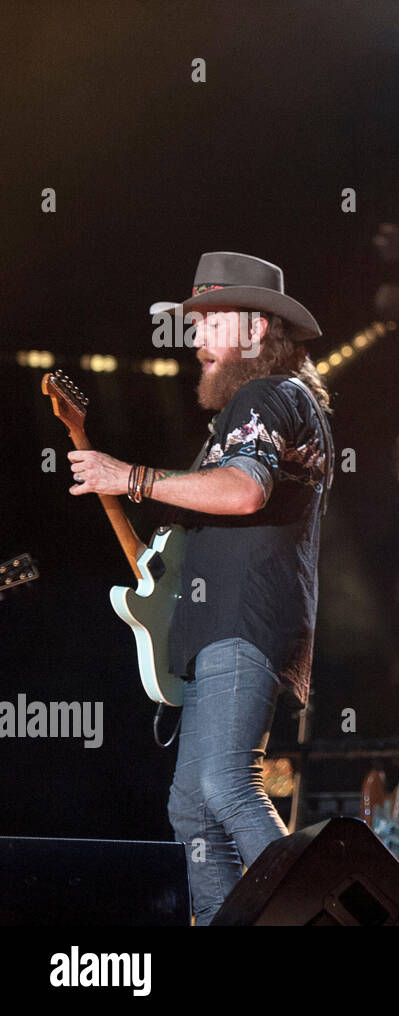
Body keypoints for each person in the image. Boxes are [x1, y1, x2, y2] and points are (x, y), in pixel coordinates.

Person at [69, 252, 333, 924]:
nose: (193, 339)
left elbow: (245, 491)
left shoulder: (265, 395)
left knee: (226, 783)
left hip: (243, 623)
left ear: (254, 328)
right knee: (189, 805)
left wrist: (128, 477)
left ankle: (307, 918)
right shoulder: (276, 403)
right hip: (229, 623)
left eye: (209, 321)